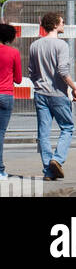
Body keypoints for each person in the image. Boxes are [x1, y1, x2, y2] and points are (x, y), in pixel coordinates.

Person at [27, 12, 76, 181]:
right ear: (55, 25)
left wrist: (39, 83)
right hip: (57, 93)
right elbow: (63, 71)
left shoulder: (34, 45)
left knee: (43, 132)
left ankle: (48, 171)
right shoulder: (61, 45)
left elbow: (31, 72)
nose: (64, 24)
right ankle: (57, 159)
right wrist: (74, 87)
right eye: (62, 22)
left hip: (40, 93)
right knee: (67, 127)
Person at [0, 22, 23, 181]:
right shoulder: (13, 53)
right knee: (0, 133)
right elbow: (19, 79)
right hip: (6, 94)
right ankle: (0, 170)